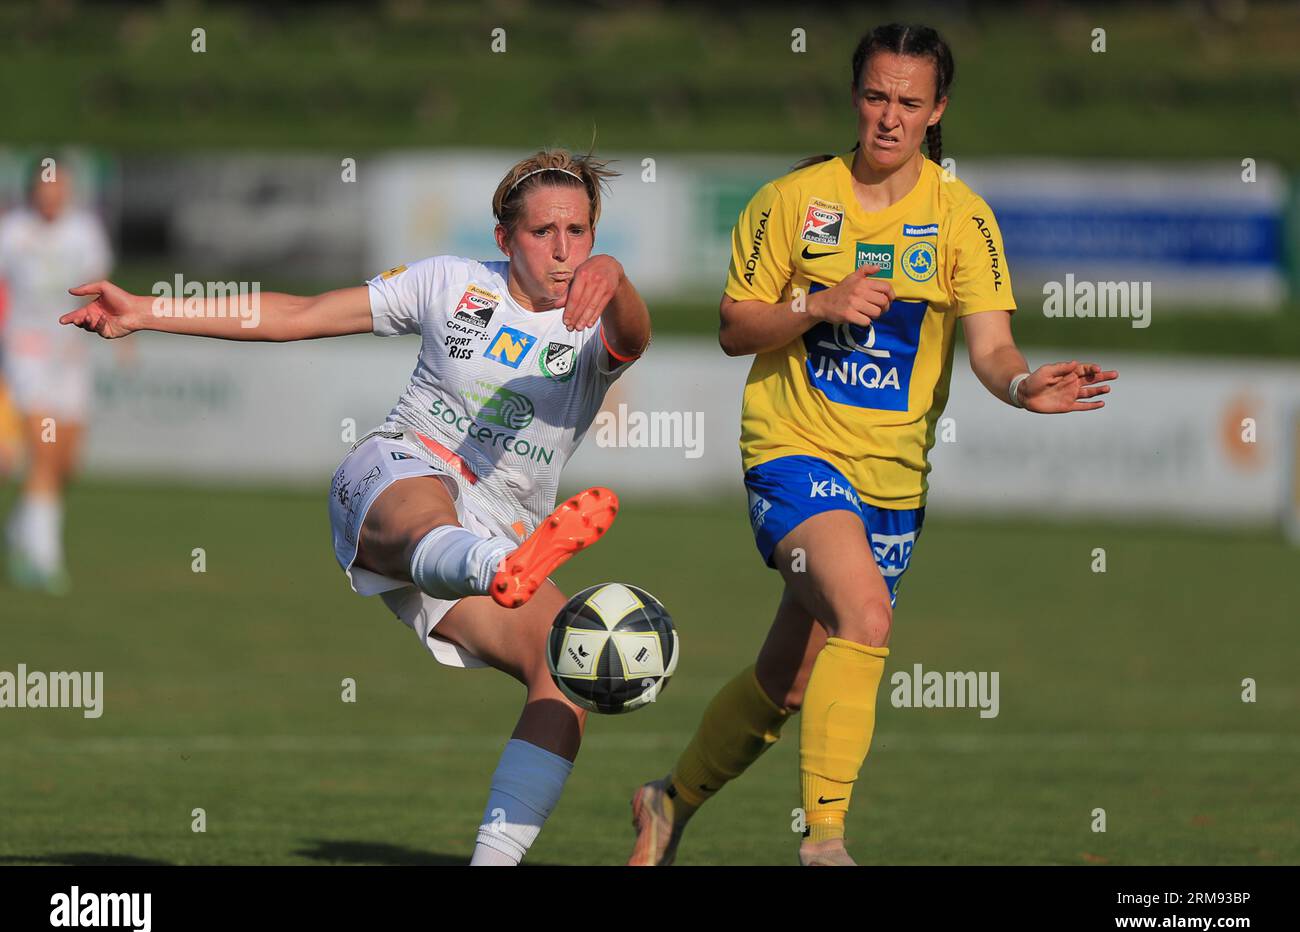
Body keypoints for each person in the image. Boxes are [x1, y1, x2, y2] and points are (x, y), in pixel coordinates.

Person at [61, 147, 652, 866]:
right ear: (504, 239)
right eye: (541, 232)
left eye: (580, 233)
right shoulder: (451, 282)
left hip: (498, 529)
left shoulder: (596, 316)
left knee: (563, 671)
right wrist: (147, 310)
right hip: (396, 473)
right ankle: (496, 563)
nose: (563, 250)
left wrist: (615, 281)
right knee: (430, 513)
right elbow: (301, 313)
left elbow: (634, 336)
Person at [628, 23, 1118, 866]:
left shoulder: (963, 219)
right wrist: (817, 305)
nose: (890, 117)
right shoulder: (794, 200)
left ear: (938, 112)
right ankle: (825, 844)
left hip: (893, 481)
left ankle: (667, 803)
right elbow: (733, 326)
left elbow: (994, 349)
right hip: (793, 451)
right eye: (876, 96)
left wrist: (1021, 387)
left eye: (910, 102)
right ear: (856, 97)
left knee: (786, 683)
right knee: (868, 615)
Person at [1, 157, 113, 593]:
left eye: (60, 186)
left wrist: (126, 337)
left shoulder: (84, 231)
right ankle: (44, 558)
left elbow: (100, 283)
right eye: (46, 185)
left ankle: (19, 531)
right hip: (26, 351)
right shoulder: (12, 231)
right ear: (33, 188)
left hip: (70, 353)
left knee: (67, 462)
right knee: (43, 454)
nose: (53, 193)